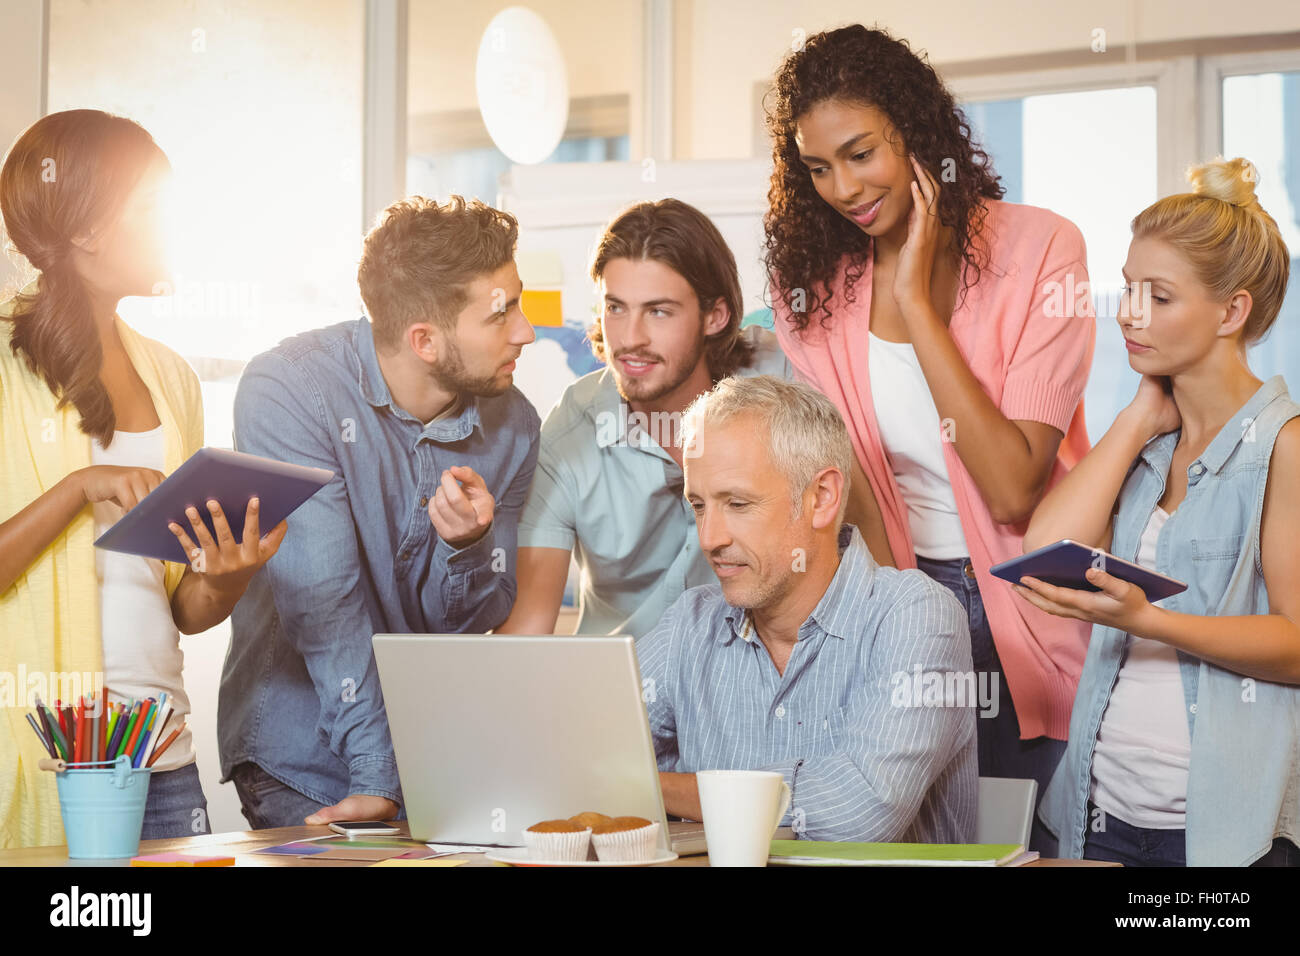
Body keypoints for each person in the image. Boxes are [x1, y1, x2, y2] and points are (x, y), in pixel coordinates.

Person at [762, 24, 1094, 851]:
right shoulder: (812, 288)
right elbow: (860, 488)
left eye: (861, 152)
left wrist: (914, 299)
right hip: (904, 611)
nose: (842, 186)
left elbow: (1016, 485)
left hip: (1037, 605)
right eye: (818, 166)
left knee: (1033, 843)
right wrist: (889, 626)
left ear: (915, 132)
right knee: (915, 851)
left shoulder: (1042, 249)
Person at [0, 109, 285, 848]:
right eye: (154, 207)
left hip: (162, 754)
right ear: (90, 229)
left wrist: (229, 575)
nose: (173, 227)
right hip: (48, 763)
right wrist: (75, 492)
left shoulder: (171, 378)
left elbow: (183, 609)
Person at [218, 195, 540, 829]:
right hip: (302, 752)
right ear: (424, 339)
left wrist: (468, 549)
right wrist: (374, 774)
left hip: (430, 757)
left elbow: (465, 627)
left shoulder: (515, 427)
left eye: (519, 303)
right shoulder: (290, 389)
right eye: (501, 316)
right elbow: (322, 603)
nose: (526, 330)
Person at [1018, 157, 1300, 867]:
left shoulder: (1285, 448)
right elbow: (1043, 551)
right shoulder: (1147, 442)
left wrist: (1148, 621)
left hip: (1220, 836)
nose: (1129, 312)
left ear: (1232, 311)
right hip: (1097, 817)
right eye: (1129, 287)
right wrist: (1137, 420)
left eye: (1159, 296)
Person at [639, 375, 976, 842]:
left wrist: (651, 789)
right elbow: (587, 758)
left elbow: (860, 813)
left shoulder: (916, 616)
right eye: (699, 505)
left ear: (822, 498)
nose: (709, 538)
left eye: (737, 503)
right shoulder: (689, 623)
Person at [498, 198, 789, 638]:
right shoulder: (569, 436)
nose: (630, 339)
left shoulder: (777, 383)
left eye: (658, 311)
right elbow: (527, 632)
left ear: (715, 316)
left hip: (751, 687)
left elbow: (851, 535)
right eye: (616, 308)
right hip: (619, 691)